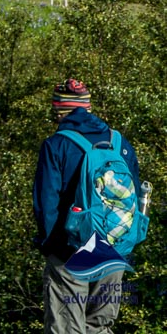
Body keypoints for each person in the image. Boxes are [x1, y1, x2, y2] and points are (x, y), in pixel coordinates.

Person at [33, 78, 142, 334]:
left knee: (66, 327)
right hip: (113, 248)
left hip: (70, 250)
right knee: (100, 325)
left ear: (60, 110)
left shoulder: (56, 145)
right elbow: (134, 195)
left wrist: (52, 247)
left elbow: (46, 204)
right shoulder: (120, 143)